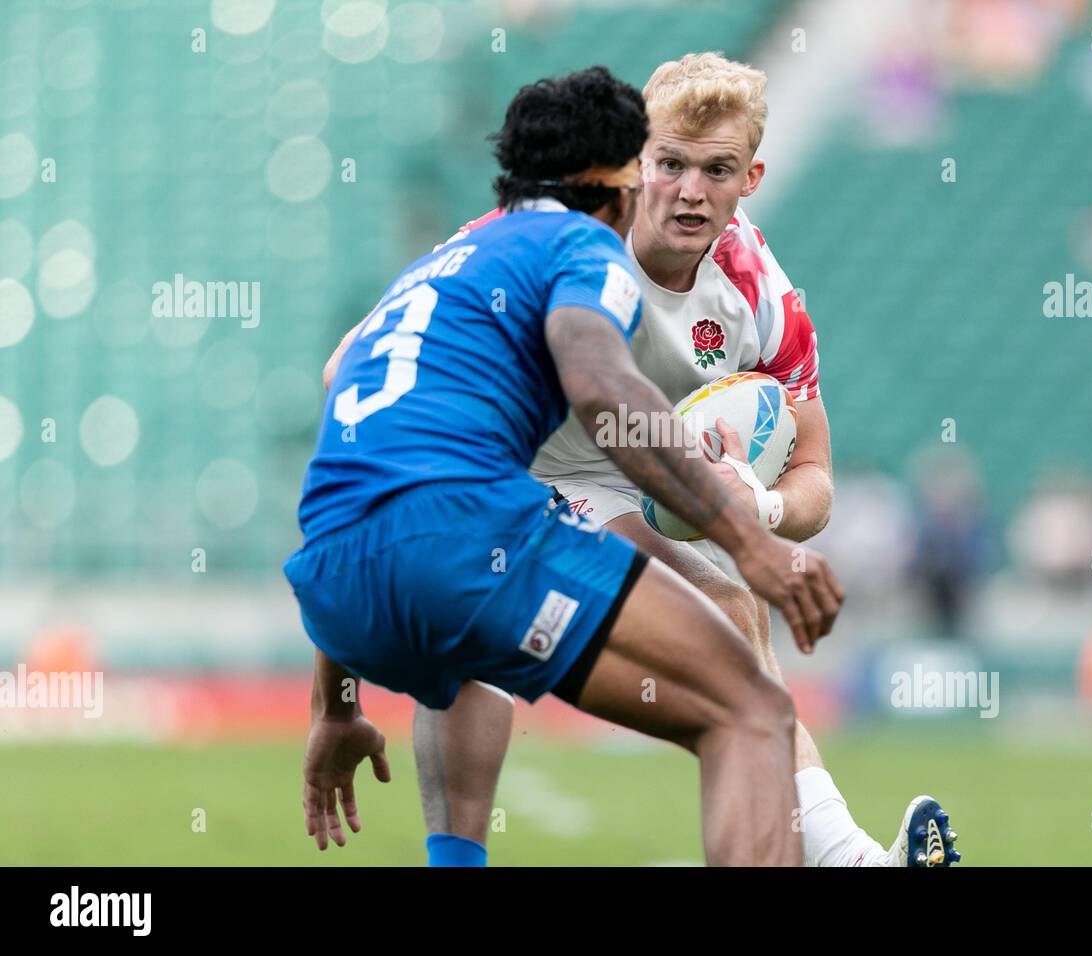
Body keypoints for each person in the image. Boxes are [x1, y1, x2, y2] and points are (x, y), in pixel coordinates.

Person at [324, 54, 957, 868]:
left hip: (630, 468)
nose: (690, 191)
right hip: (520, 462)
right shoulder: (557, 235)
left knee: (732, 617)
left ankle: (837, 854)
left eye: (717, 169)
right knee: (680, 617)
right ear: (636, 163)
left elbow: (815, 479)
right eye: (670, 164)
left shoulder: (761, 296)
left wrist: (757, 509)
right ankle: (847, 859)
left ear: (751, 177)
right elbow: (353, 362)